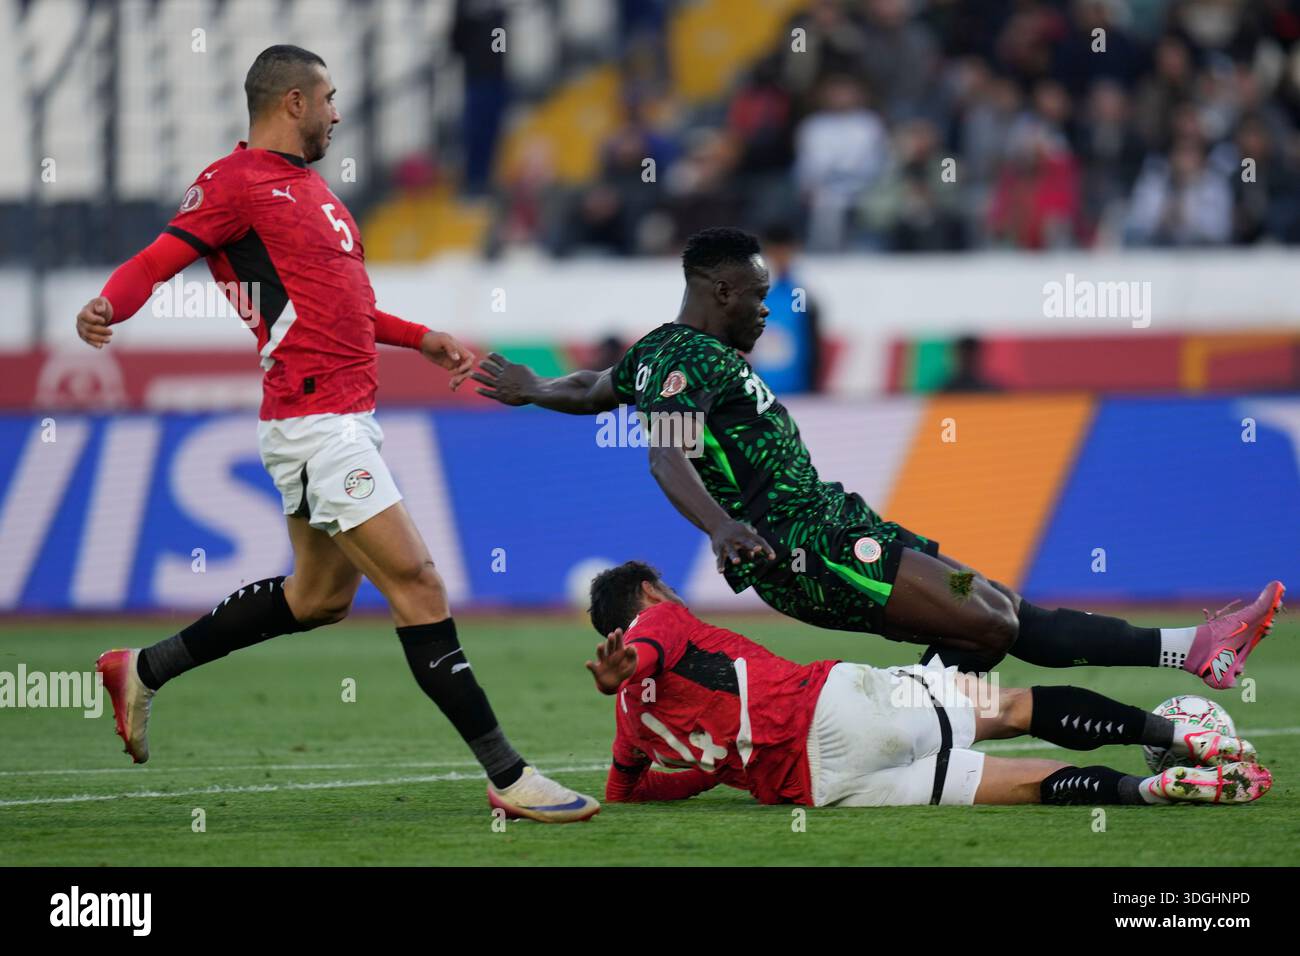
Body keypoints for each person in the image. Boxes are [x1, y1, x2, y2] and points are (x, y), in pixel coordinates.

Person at [75, 45, 597, 823]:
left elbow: (343, 309)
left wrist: (421, 337)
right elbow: (157, 258)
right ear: (292, 102)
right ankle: (510, 776)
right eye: (328, 98)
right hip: (317, 426)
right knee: (419, 585)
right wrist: (109, 306)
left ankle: (143, 669)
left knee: (317, 598)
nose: (337, 113)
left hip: (340, 419)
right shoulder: (233, 185)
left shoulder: (314, 193)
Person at [471, 227, 1284, 688]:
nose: (764, 309)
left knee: (995, 608)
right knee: (989, 624)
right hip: (802, 543)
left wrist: (532, 385)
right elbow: (665, 457)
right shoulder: (686, 364)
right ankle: (888, 726)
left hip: (833, 525)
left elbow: (595, 387)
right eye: (757, 296)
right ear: (719, 290)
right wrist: (722, 529)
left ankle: (1188, 650)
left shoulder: (655, 357)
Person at [584, 562, 1271, 809]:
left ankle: (1148, 790)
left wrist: (712, 772)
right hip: (836, 710)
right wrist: (635, 660)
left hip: (822, 789)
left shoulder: (629, 725)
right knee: (1011, 707)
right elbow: (650, 647)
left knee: (1026, 784)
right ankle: (1186, 736)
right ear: (649, 592)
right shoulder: (662, 621)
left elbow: (625, 791)